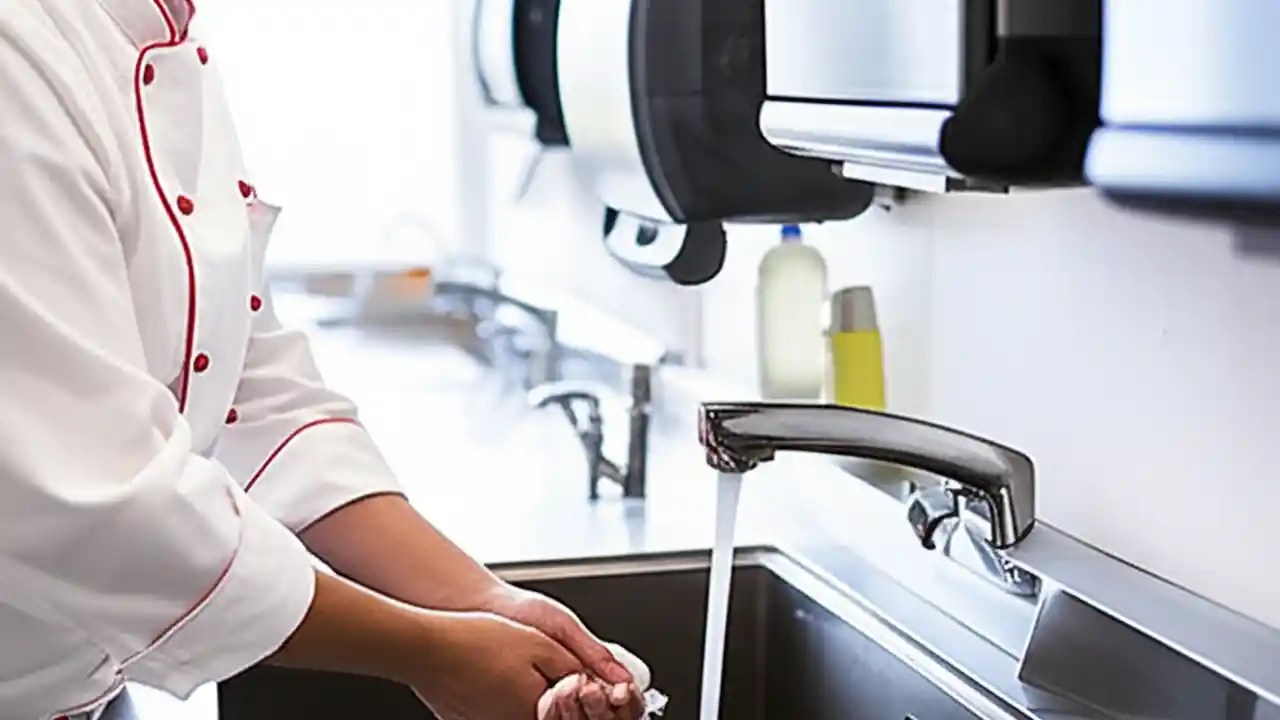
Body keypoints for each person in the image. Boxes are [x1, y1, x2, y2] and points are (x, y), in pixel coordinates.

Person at [0, 1, 646, 718]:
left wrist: (480, 599)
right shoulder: (19, 56)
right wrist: (430, 649)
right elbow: (98, 499)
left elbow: (251, 383)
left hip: (84, 687)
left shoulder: (157, 37)